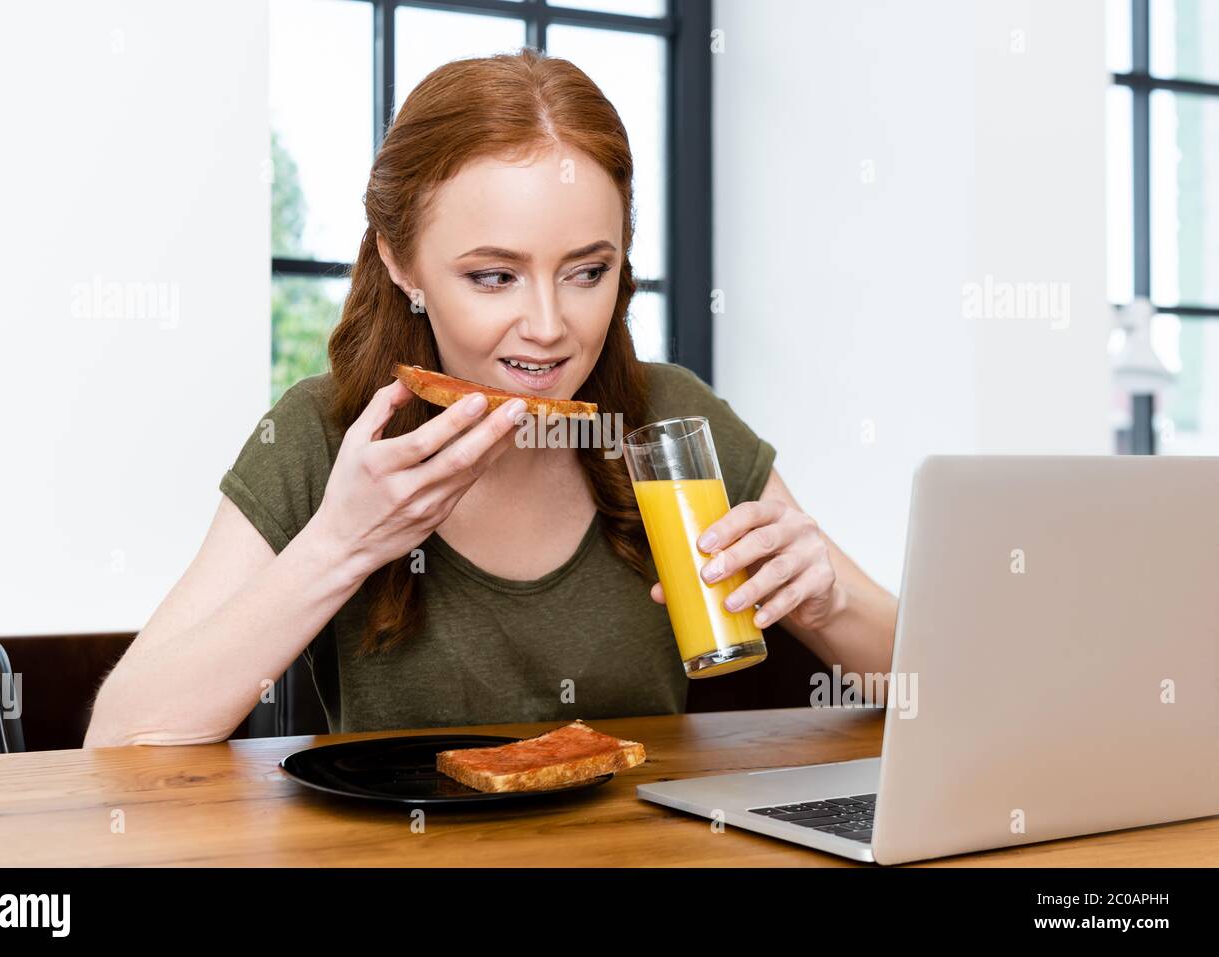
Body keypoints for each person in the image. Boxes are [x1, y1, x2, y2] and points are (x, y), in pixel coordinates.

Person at [84, 48, 896, 747]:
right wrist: (340, 544)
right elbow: (121, 740)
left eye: (587, 271)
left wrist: (828, 601)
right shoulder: (326, 434)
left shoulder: (668, 420)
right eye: (493, 276)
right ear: (401, 262)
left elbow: (934, 690)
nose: (548, 327)